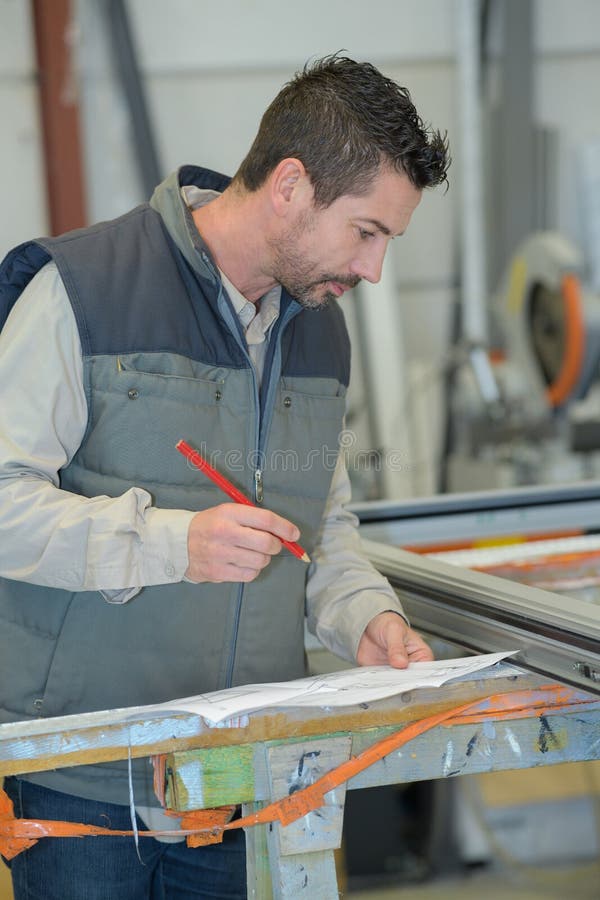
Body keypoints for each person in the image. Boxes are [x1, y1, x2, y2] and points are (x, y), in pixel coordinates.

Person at [0, 53, 449, 899]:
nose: (375, 270)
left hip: (249, 778)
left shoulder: (322, 332)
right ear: (289, 186)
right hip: (88, 784)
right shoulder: (81, 291)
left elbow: (324, 533)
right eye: (367, 232)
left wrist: (366, 618)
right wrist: (174, 543)